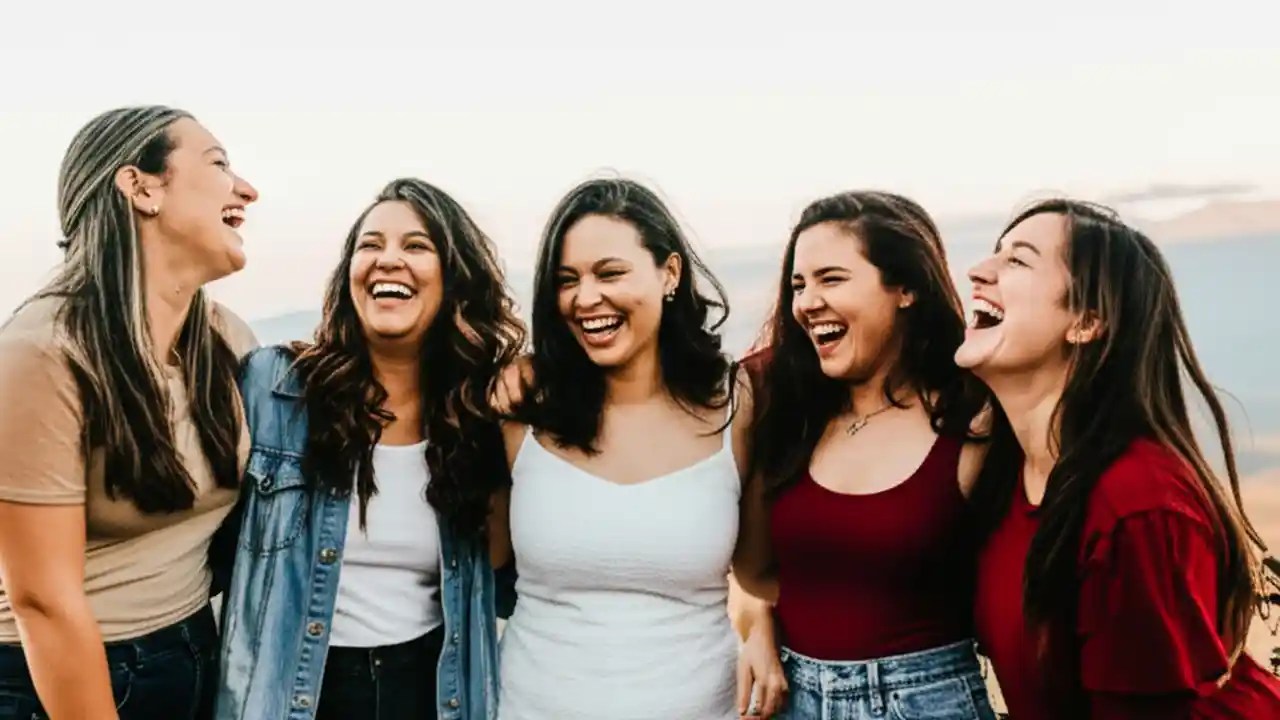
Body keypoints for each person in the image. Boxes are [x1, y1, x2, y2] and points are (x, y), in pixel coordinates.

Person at [213, 178, 525, 720]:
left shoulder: (480, 414)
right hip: (292, 694)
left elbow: (499, 563)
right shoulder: (275, 388)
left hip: (431, 691)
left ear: (454, 279)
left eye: (417, 246)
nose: (388, 261)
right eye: (370, 245)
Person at [957, 198, 1280, 718]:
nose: (977, 271)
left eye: (1017, 260)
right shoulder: (1005, 470)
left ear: (1086, 322)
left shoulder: (1136, 505)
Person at [488, 176, 781, 720]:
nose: (586, 298)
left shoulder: (738, 404)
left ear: (670, 273)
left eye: (610, 273)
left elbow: (765, 573)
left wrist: (766, 624)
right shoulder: (519, 410)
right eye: (566, 280)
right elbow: (476, 558)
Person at [0, 106, 259, 719]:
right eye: (219, 164)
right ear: (140, 188)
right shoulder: (40, 353)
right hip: (57, 678)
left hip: (194, 649)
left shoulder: (227, 341)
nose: (247, 189)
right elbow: (43, 601)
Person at [731, 190, 996, 719]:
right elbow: (756, 570)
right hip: (795, 698)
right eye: (798, 285)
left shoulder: (976, 414)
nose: (806, 302)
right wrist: (759, 621)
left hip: (930, 699)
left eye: (831, 279)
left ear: (905, 288)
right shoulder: (781, 408)